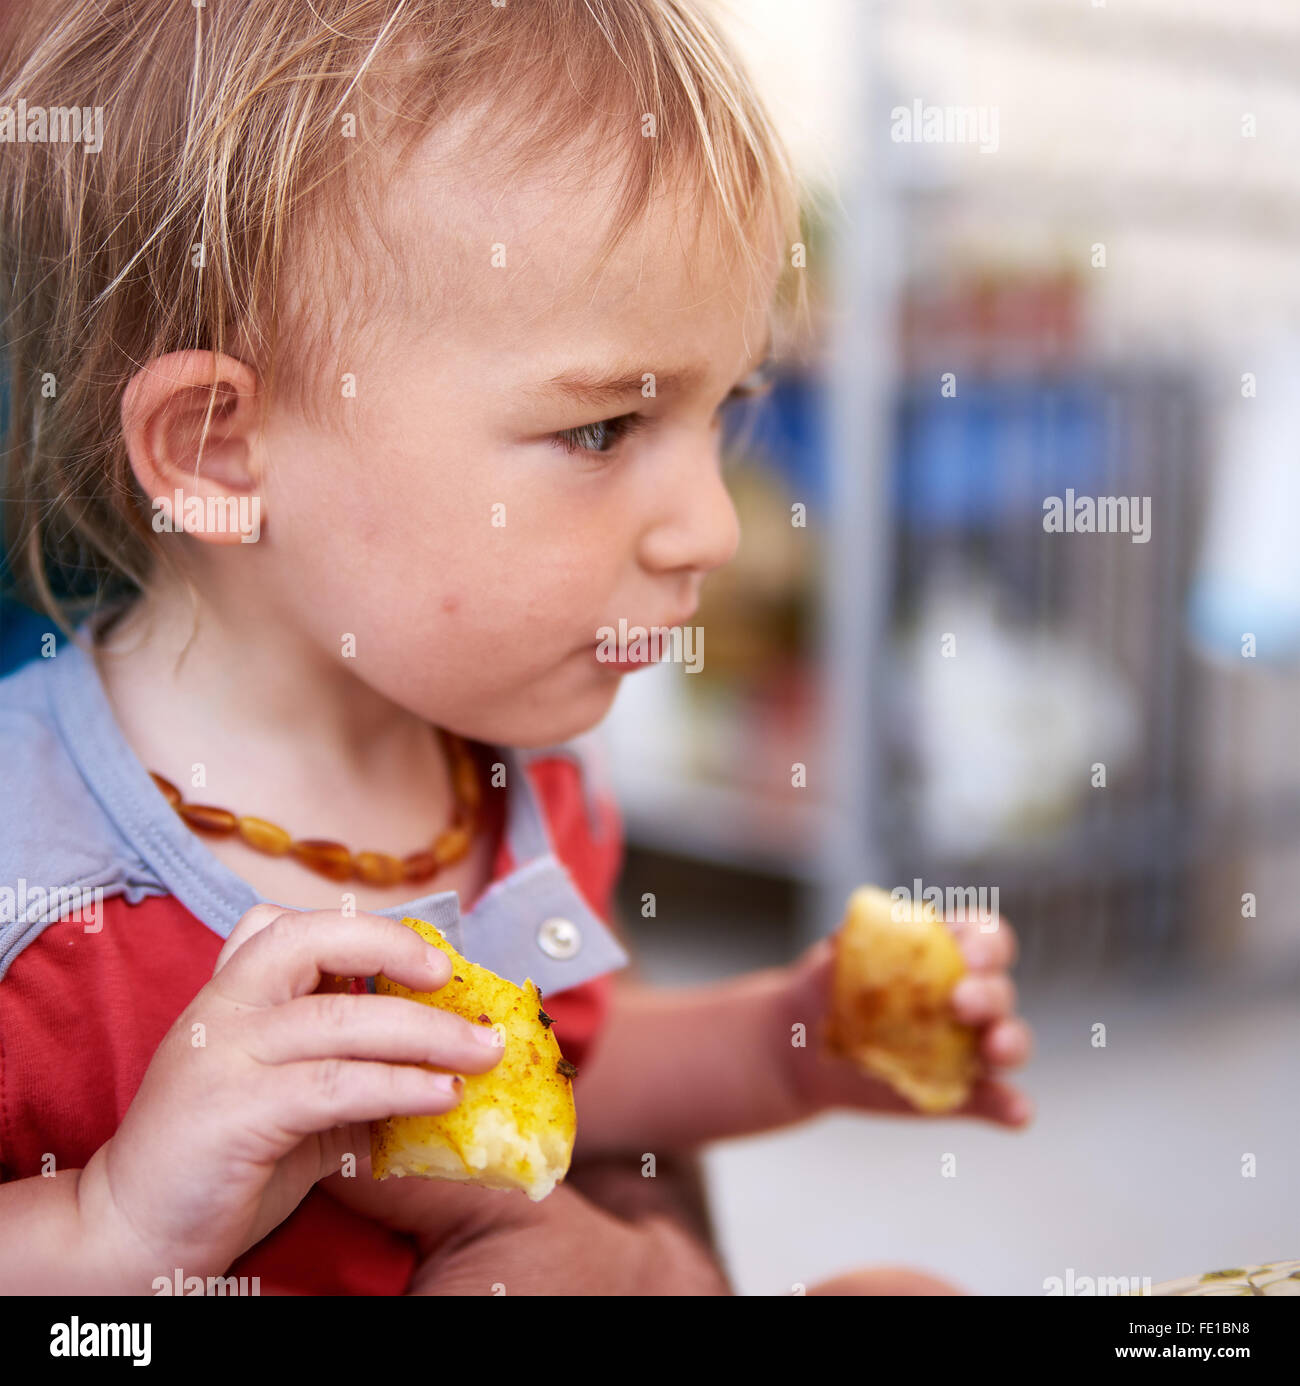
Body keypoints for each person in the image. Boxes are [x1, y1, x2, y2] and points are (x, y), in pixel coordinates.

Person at [0, 0, 1031, 1295]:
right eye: (602, 430)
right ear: (219, 447)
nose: (710, 526)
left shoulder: (511, 782)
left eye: (728, 411)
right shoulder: (29, 873)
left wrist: (782, 1041)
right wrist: (106, 1224)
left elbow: (559, 1085)